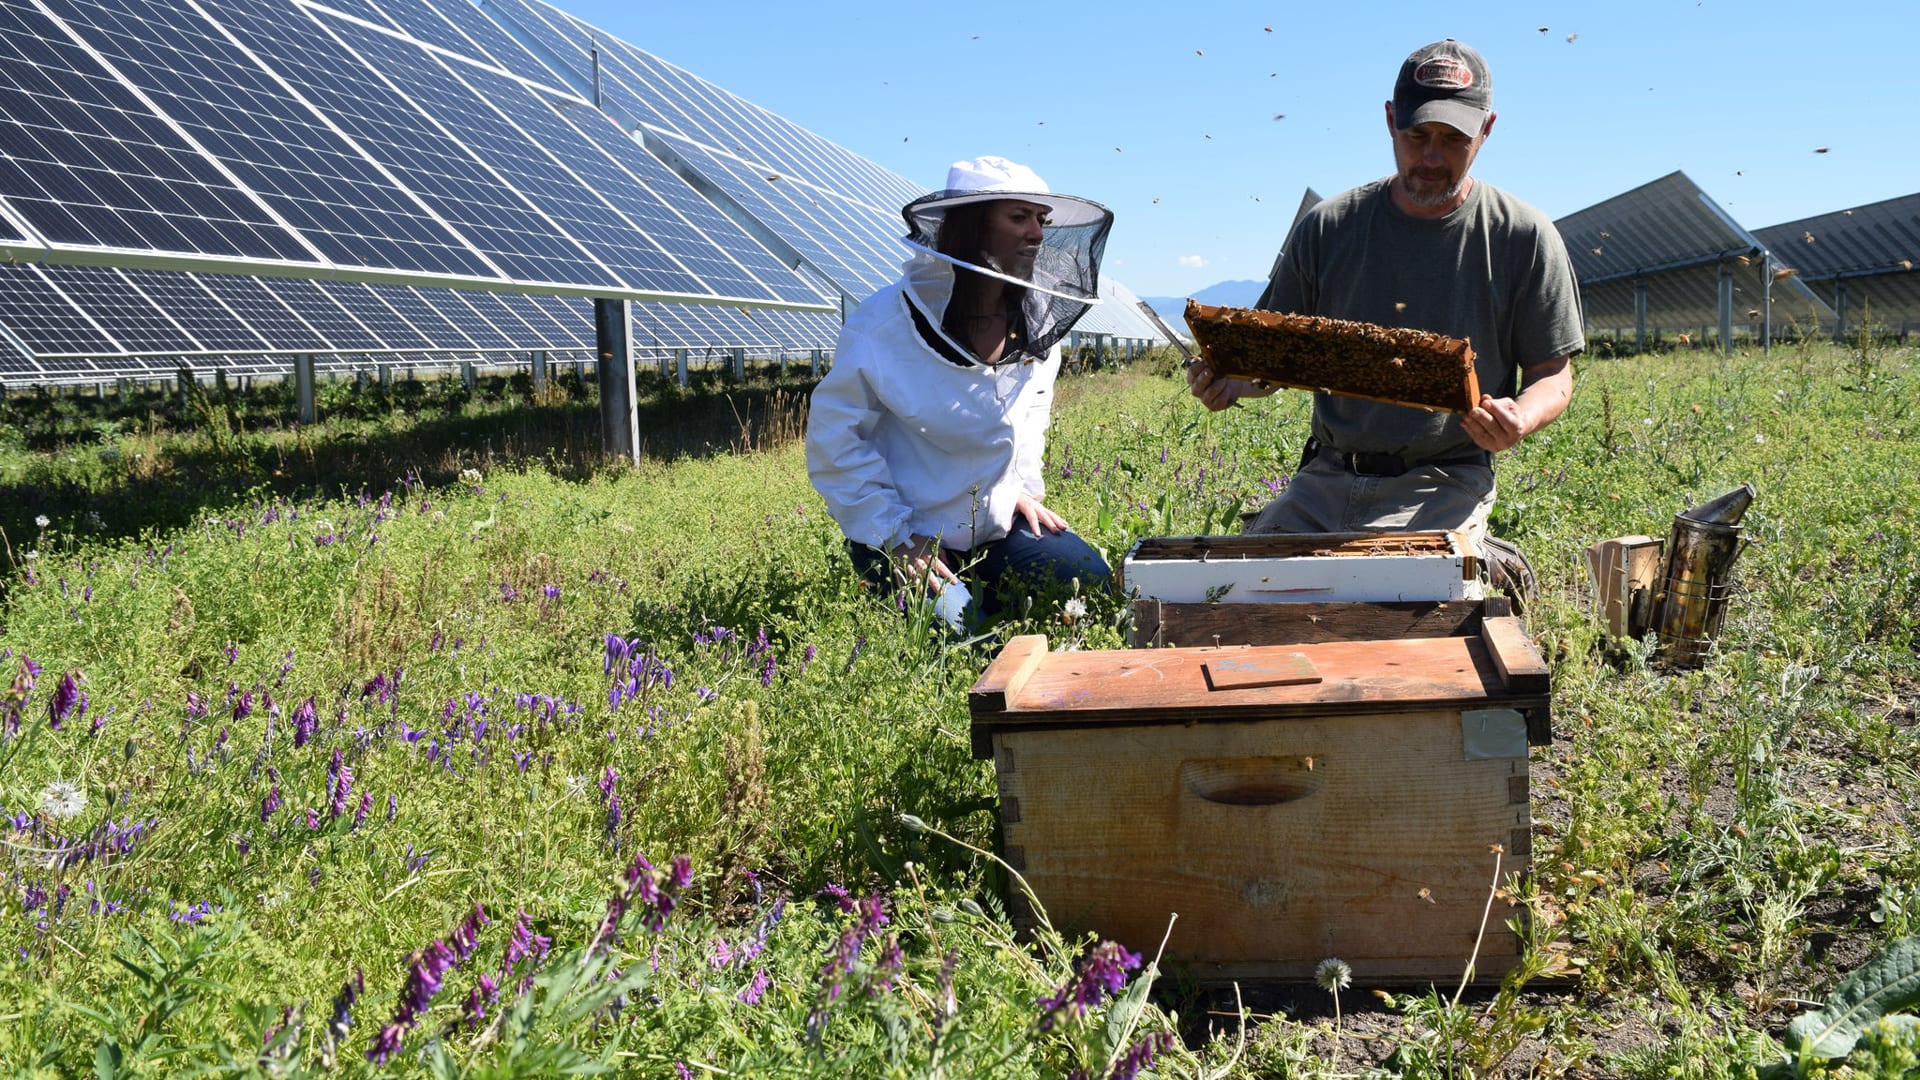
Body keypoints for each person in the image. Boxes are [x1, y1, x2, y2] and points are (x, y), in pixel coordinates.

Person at [1187, 39, 1584, 555]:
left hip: (1444, 481)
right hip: (1326, 478)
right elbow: (1269, 364)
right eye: (1417, 135)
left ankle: (1495, 562)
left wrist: (1521, 417)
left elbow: (1553, 374)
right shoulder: (1329, 227)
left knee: (1415, 603)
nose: (1432, 156)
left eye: (1454, 138)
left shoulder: (1521, 235)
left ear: (1486, 129)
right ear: (1391, 119)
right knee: (1248, 586)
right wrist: (1228, 381)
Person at [806, 155, 1115, 630]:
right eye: (1018, 217)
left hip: (992, 527)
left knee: (1092, 587)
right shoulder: (882, 327)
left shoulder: (1034, 325)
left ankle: (991, 583)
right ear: (972, 227)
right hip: (906, 530)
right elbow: (837, 440)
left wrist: (1020, 491)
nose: (1036, 232)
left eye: (1040, 219)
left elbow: (1031, 420)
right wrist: (897, 536)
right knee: (967, 641)